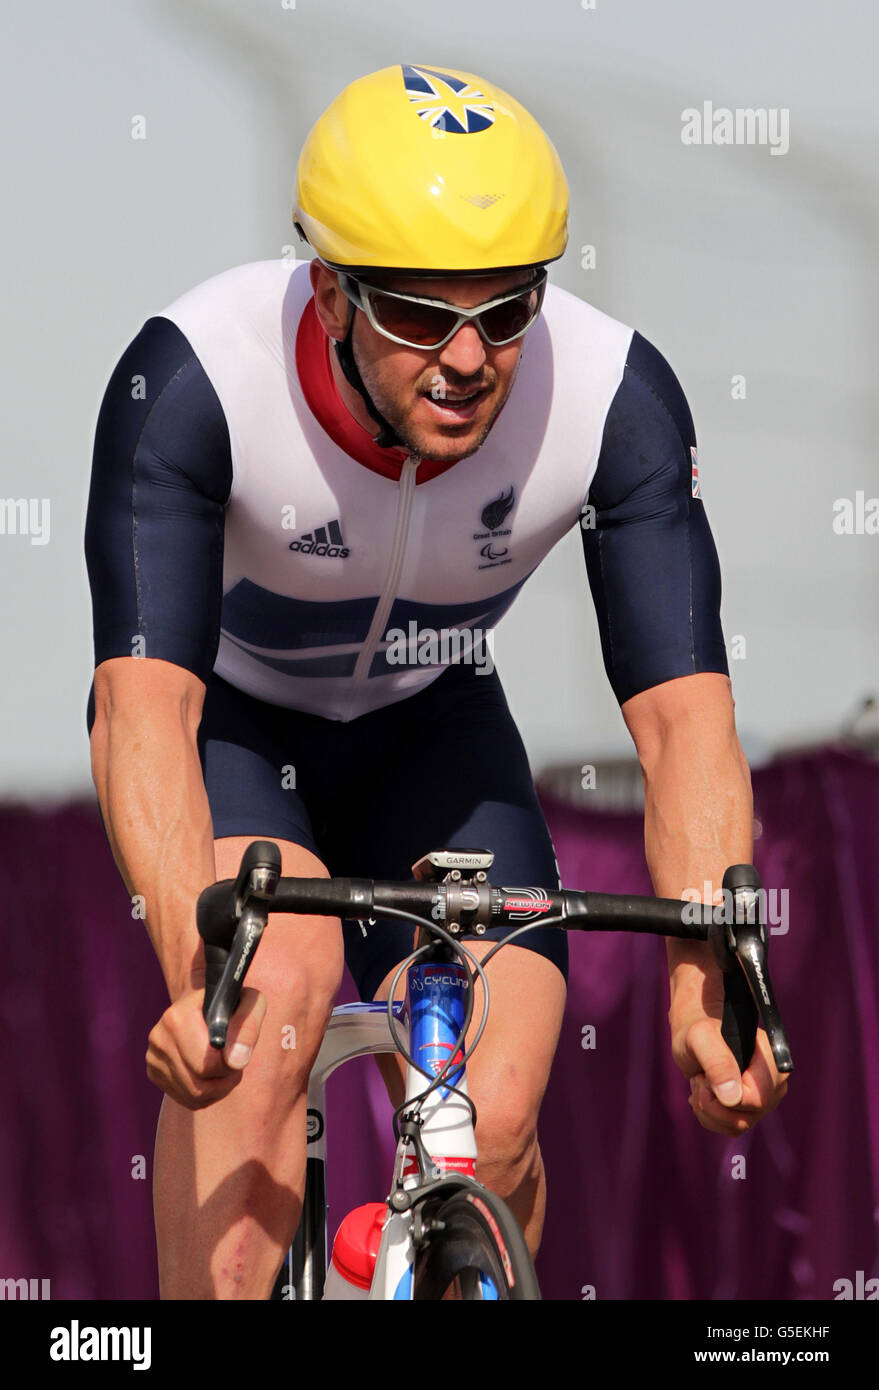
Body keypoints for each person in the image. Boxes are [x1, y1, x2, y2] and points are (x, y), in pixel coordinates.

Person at [85, 63, 788, 1299]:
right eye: (418, 313)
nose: (468, 358)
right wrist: (196, 973)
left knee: (497, 1110)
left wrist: (704, 985)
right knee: (267, 1011)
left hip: (433, 729)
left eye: (507, 310)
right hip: (239, 730)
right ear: (331, 289)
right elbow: (147, 703)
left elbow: (686, 723)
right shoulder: (197, 375)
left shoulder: (611, 394)